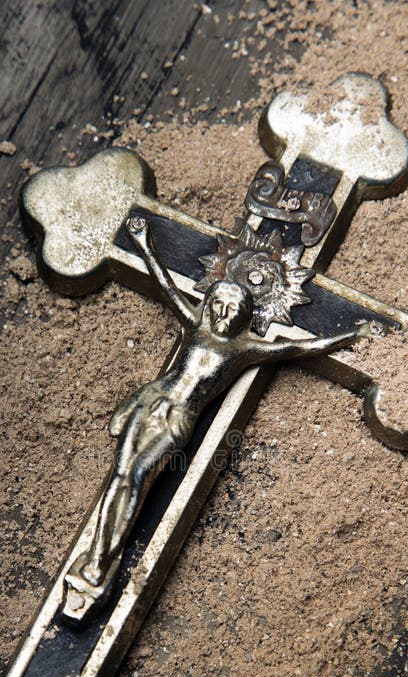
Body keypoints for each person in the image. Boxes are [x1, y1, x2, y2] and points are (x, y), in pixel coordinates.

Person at [64, 216, 360, 622]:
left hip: (177, 419)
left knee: (137, 478)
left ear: (245, 314)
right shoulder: (196, 327)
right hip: (151, 399)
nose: (222, 314)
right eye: (217, 305)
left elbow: (299, 348)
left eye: (232, 309)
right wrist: (143, 241)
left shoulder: (244, 349)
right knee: (119, 474)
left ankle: (101, 564)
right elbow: (166, 285)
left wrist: (351, 335)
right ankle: (96, 556)